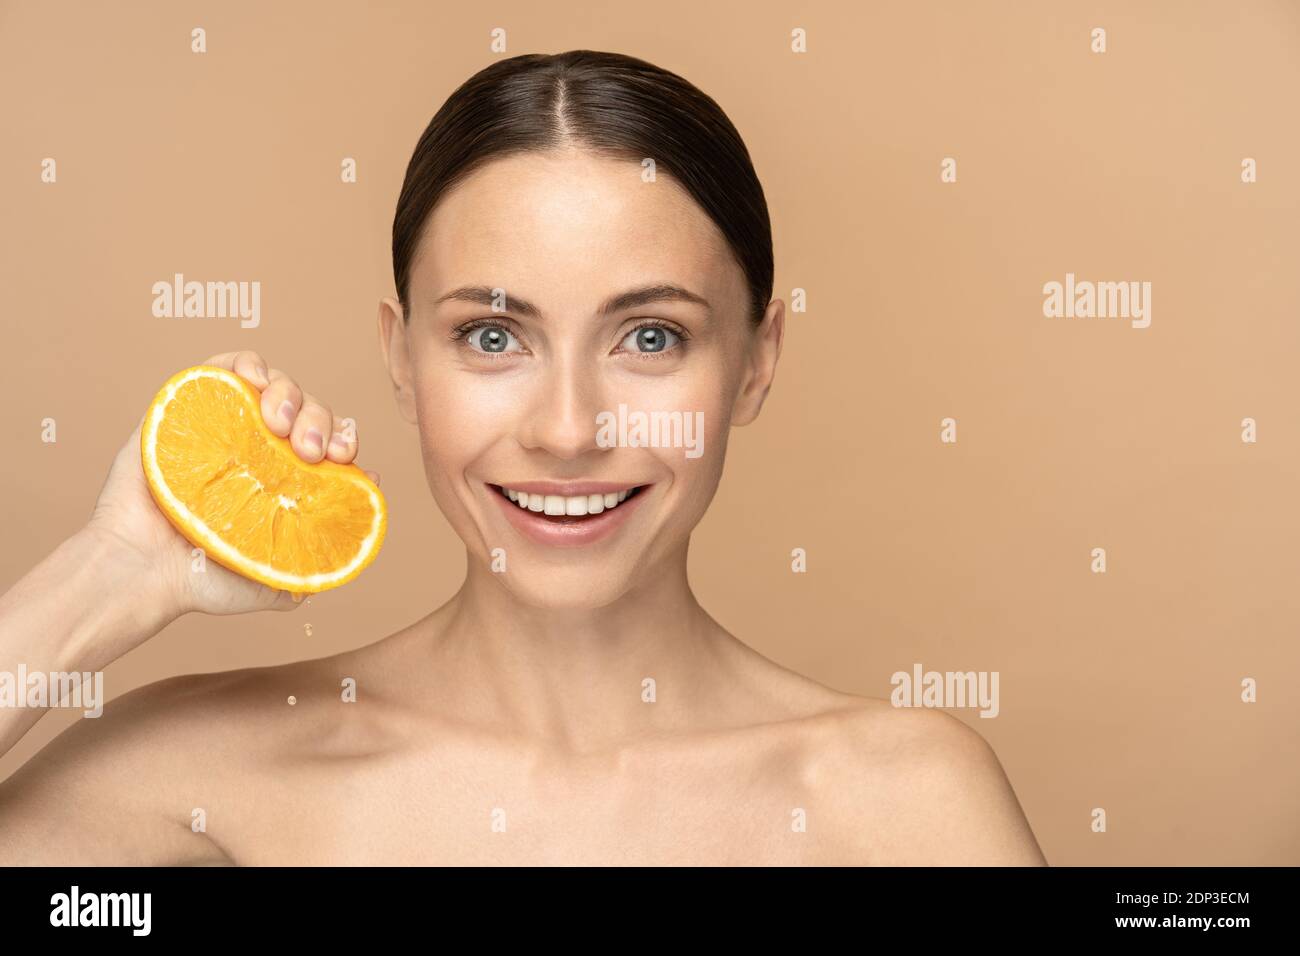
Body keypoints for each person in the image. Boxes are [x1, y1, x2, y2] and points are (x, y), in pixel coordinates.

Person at [0, 50, 1046, 865]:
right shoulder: (212, 775)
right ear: (401, 357)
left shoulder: (903, 802)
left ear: (756, 360)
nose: (565, 428)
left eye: (649, 336)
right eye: (493, 337)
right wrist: (112, 571)